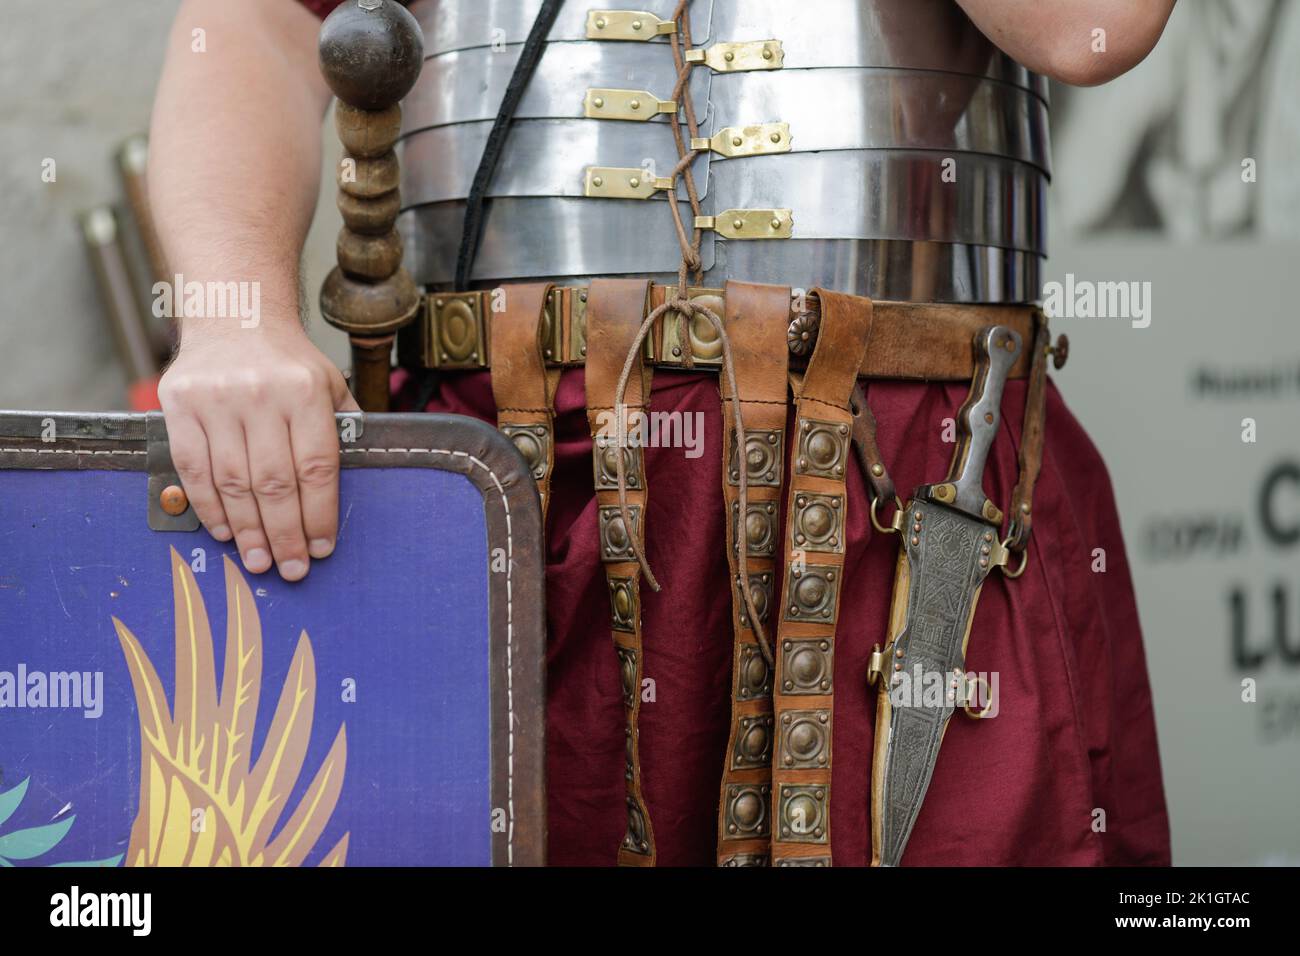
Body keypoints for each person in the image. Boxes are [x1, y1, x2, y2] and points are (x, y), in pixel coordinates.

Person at [149, 0, 1176, 865]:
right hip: (515, 485)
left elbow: (1090, 26)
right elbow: (261, 22)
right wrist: (236, 310)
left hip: (908, 493)